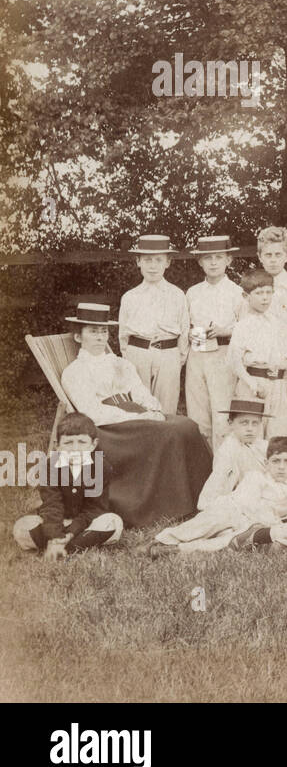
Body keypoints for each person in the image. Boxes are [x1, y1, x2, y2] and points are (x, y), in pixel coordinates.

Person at [59, 302, 211, 527]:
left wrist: (153, 409)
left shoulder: (119, 363)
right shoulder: (75, 372)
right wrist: (139, 418)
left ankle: (201, 497)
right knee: (169, 433)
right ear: (78, 337)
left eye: (103, 331)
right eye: (93, 331)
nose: (100, 337)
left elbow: (139, 392)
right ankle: (171, 506)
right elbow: (93, 413)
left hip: (136, 416)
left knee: (187, 425)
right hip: (109, 428)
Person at [149, 436, 287, 555]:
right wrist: (277, 511)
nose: (281, 467)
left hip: (253, 526)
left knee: (231, 540)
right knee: (212, 520)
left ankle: (178, 549)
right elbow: (245, 505)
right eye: (276, 461)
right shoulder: (256, 477)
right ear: (266, 463)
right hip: (235, 514)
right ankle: (163, 539)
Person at [12, 413, 122, 559]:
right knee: (21, 527)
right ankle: (75, 544)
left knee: (113, 522)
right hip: (56, 522)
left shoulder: (101, 467)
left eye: (82, 442)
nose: (75, 449)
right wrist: (55, 535)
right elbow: (51, 505)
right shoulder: (49, 466)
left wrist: (70, 533)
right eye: (68, 443)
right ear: (57, 446)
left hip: (84, 524)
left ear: (93, 444)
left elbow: (94, 509)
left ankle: (63, 546)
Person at [118, 234, 189, 414]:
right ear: (138, 261)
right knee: (138, 407)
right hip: (138, 354)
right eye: (147, 260)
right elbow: (123, 337)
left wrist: (176, 360)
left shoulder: (177, 295)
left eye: (159, 260)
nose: (153, 265)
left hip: (168, 356)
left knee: (166, 409)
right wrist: (131, 359)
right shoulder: (130, 297)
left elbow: (185, 331)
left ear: (168, 262)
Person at [184, 235, 243, 448]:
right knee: (198, 415)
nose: (214, 262)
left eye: (219, 257)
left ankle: (223, 470)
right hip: (198, 353)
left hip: (224, 355)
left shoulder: (237, 292)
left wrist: (225, 330)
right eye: (208, 258)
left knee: (222, 415)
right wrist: (189, 334)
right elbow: (185, 324)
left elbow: (247, 328)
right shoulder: (193, 292)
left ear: (229, 260)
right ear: (200, 261)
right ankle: (202, 470)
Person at [228, 269, 287, 440]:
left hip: (279, 385)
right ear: (246, 296)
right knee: (253, 435)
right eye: (259, 293)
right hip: (254, 385)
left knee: (279, 435)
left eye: (268, 292)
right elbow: (235, 362)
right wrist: (252, 384)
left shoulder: (280, 325)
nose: (265, 298)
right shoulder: (242, 326)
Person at [197, 398, 270, 511]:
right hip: (245, 498)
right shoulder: (228, 450)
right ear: (231, 423)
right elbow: (218, 481)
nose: (250, 429)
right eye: (244, 423)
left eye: (255, 423)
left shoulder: (262, 445)